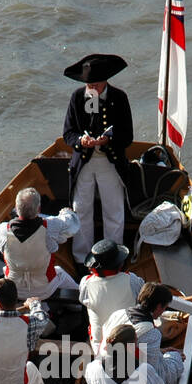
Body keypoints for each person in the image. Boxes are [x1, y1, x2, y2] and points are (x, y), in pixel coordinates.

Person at [62, 53, 134, 259]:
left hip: (109, 163)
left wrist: (108, 141)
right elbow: (68, 133)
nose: (91, 89)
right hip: (85, 163)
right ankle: (82, 256)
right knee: (81, 210)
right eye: (89, 85)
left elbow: (127, 136)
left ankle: (113, 255)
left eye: (95, 85)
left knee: (113, 210)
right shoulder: (77, 97)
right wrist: (81, 141)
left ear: (104, 82)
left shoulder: (119, 98)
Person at [0, 187, 79, 301]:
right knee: (60, 273)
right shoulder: (51, 227)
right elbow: (72, 224)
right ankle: (77, 306)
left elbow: (1, 248)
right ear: (38, 209)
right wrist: (66, 212)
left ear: (17, 208)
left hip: (15, 289)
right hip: (45, 289)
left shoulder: (3, 230)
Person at [104, 281, 185, 384]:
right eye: (164, 308)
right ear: (158, 306)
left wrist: (160, 351)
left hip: (109, 366)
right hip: (129, 378)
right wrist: (174, 357)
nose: (163, 312)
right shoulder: (151, 333)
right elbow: (155, 371)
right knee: (176, 358)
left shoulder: (117, 314)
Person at [79, 239, 144, 349]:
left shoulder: (86, 282)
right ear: (120, 264)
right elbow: (142, 296)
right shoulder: (133, 280)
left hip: (99, 344)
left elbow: (83, 300)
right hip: (129, 342)